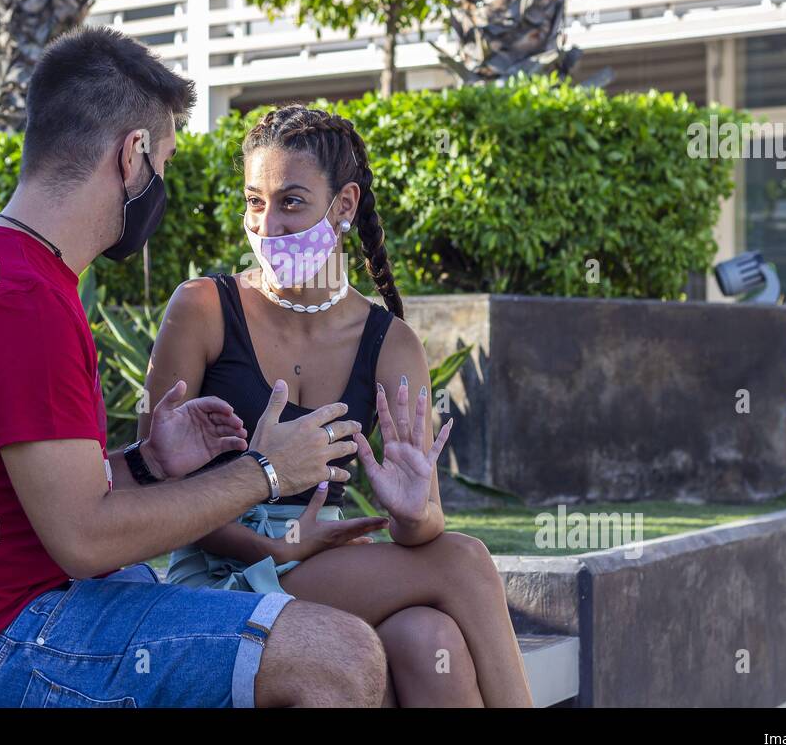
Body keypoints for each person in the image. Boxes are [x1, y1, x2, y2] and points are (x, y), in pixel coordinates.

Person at [0, 27, 399, 708]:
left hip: (37, 621)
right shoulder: (20, 300)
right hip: (11, 647)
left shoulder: (11, 273)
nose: (164, 186)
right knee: (339, 656)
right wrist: (267, 471)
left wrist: (147, 464)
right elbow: (84, 539)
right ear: (133, 155)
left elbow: (50, 499)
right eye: (167, 161)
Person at [140, 104, 535, 707]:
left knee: (429, 640)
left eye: (291, 202)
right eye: (254, 201)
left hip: (321, 557)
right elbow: (149, 483)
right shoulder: (203, 308)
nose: (267, 225)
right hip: (221, 568)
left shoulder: (389, 342)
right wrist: (273, 546)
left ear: (344, 205)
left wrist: (410, 513)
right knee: (464, 564)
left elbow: (427, 522)